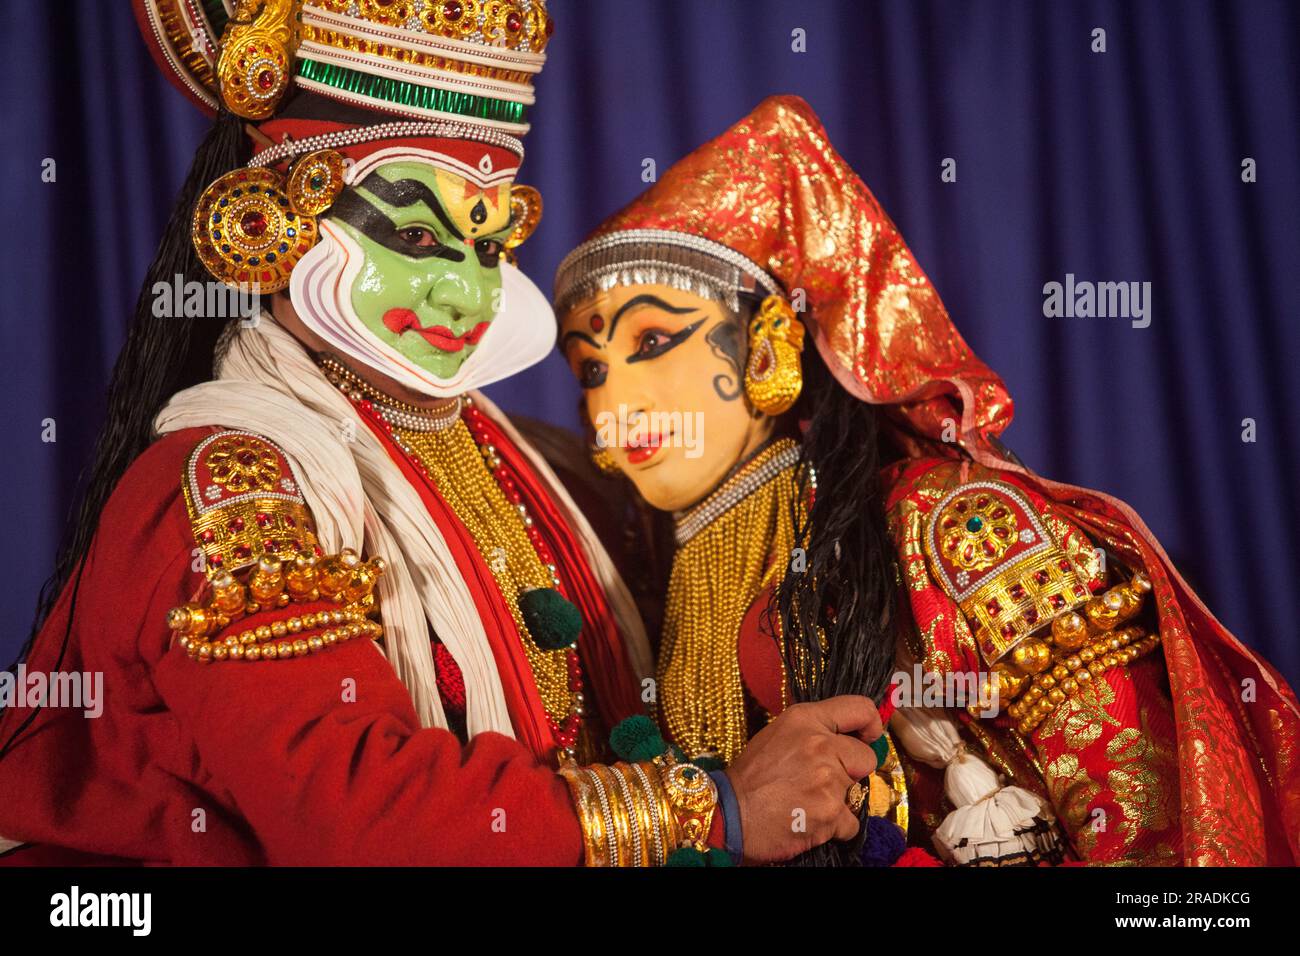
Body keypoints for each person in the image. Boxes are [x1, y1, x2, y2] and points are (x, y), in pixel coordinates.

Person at [0, 3, 882, 868]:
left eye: (491, 246)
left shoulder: (522, 462)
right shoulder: (228, 482)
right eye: (421, 236)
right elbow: (355, 817)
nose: (468, 294)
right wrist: (712, 809)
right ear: (273, 220)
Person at [553, 94, 1300, 866]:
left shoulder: (952, 522)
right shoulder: (653, 597)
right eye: (592, 368)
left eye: (653, 340)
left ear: (769, 343)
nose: (614, 400)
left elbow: (1165, 849)